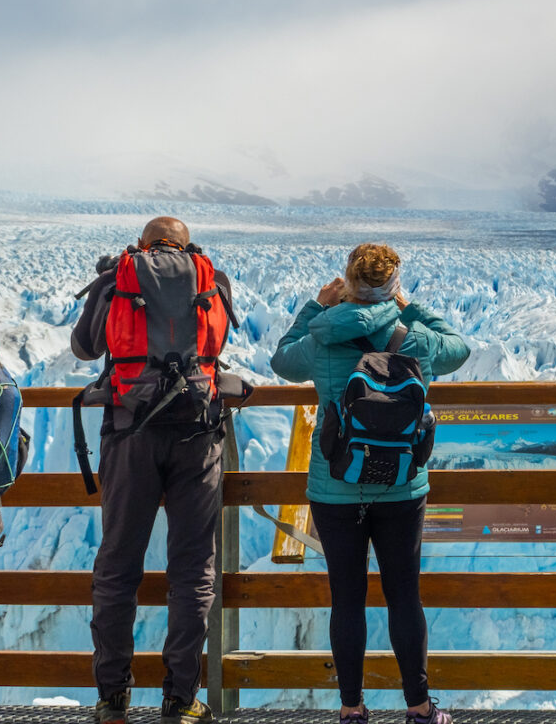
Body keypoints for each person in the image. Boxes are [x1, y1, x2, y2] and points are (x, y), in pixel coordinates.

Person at [270, 242, 469, 724]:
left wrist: (316, 306)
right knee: (404, 595)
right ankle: (419, 707)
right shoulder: (415, 337)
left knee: (347, 598)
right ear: (393, 285)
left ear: (348, 282)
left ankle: (351, 709)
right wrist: (410, 307)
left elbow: (282, 363)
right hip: (402, 486)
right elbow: (459, 348)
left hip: (335, 486)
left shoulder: (322, 334)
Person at [72, 217, 237, 724]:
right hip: (197, 436)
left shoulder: (119, 276)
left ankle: (112, 698)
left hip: (129, 434)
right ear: (189, 247)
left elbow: (85, 347)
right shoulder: (211, 279)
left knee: (118, 566)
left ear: (141, 246)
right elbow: (217, 344)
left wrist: (112, 284)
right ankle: (180, 699)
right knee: (192, 569)